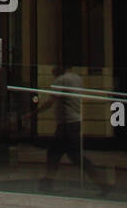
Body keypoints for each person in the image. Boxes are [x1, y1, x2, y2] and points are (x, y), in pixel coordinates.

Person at [34, 62, 108, 194]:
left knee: (60, 154)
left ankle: (47, 183)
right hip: (74, 122)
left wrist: (32, 114)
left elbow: (50, 101)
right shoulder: (77, 78)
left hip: (66, 124)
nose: (51, 70)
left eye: (53, 68)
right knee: (63, 154)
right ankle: (102, 182)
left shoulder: (61, 80)